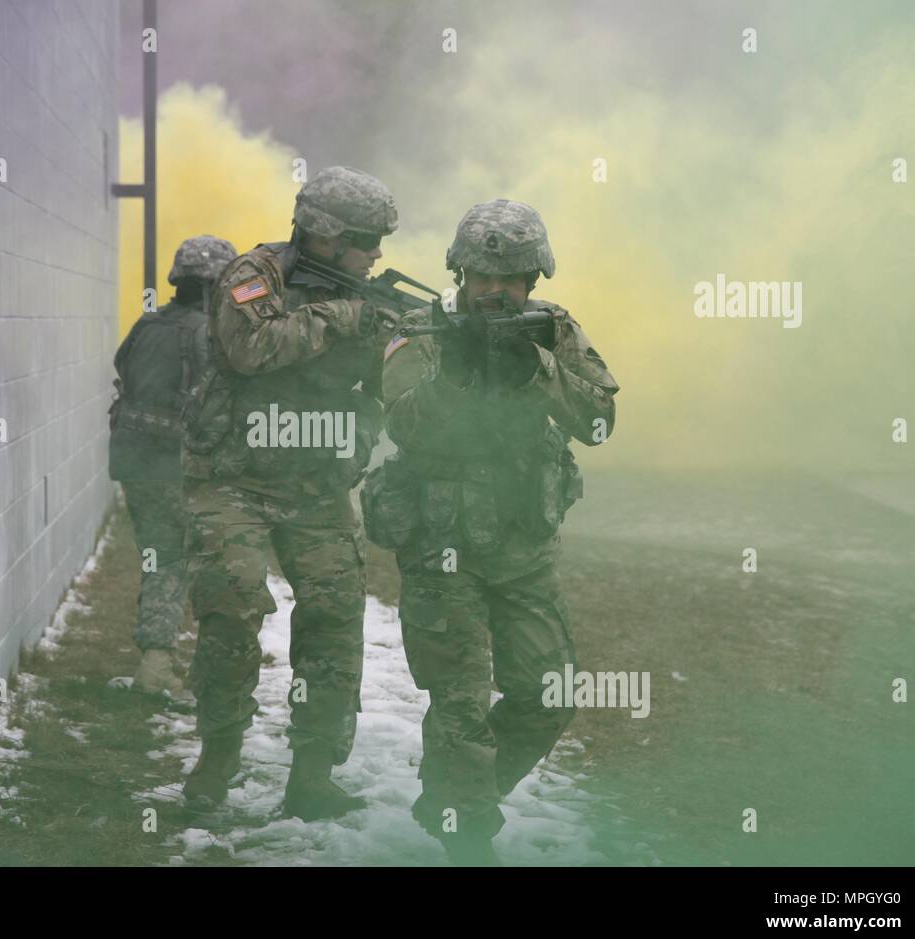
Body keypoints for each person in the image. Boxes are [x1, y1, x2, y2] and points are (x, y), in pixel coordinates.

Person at [368, 199, 620, 864]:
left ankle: (453, 800)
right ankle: (468, 834)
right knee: (461, 706)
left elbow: (598, 421)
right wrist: (456, 371)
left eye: (510, 280)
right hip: (439, 545)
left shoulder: (550, 330)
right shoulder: (421, 329)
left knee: (551, 692)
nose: (497, 291)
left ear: (532, 281)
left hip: (521, 549)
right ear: (460, 273)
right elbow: (405, 426)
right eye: (484, 278)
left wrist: (535, 368)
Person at [180, 167, 400, 818]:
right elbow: (252, 349)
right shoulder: (253, 276)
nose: (377, 254)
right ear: (326, 236)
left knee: (335, 619)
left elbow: (385, 390)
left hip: (315, 483)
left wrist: (361, 431)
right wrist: (347, 317)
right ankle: (217, 759)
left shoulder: (369, 297)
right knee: (231, 610)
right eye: (366, 239)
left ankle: (312, 774)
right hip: (232, 478)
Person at [109, 235, 237, 696]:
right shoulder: (210, 333)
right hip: (181, 468)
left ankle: (156, 663)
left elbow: (123, 372)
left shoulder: (146, 326)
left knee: (162, 559)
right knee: (218, 569)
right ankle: (208, 677)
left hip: (134, 463)